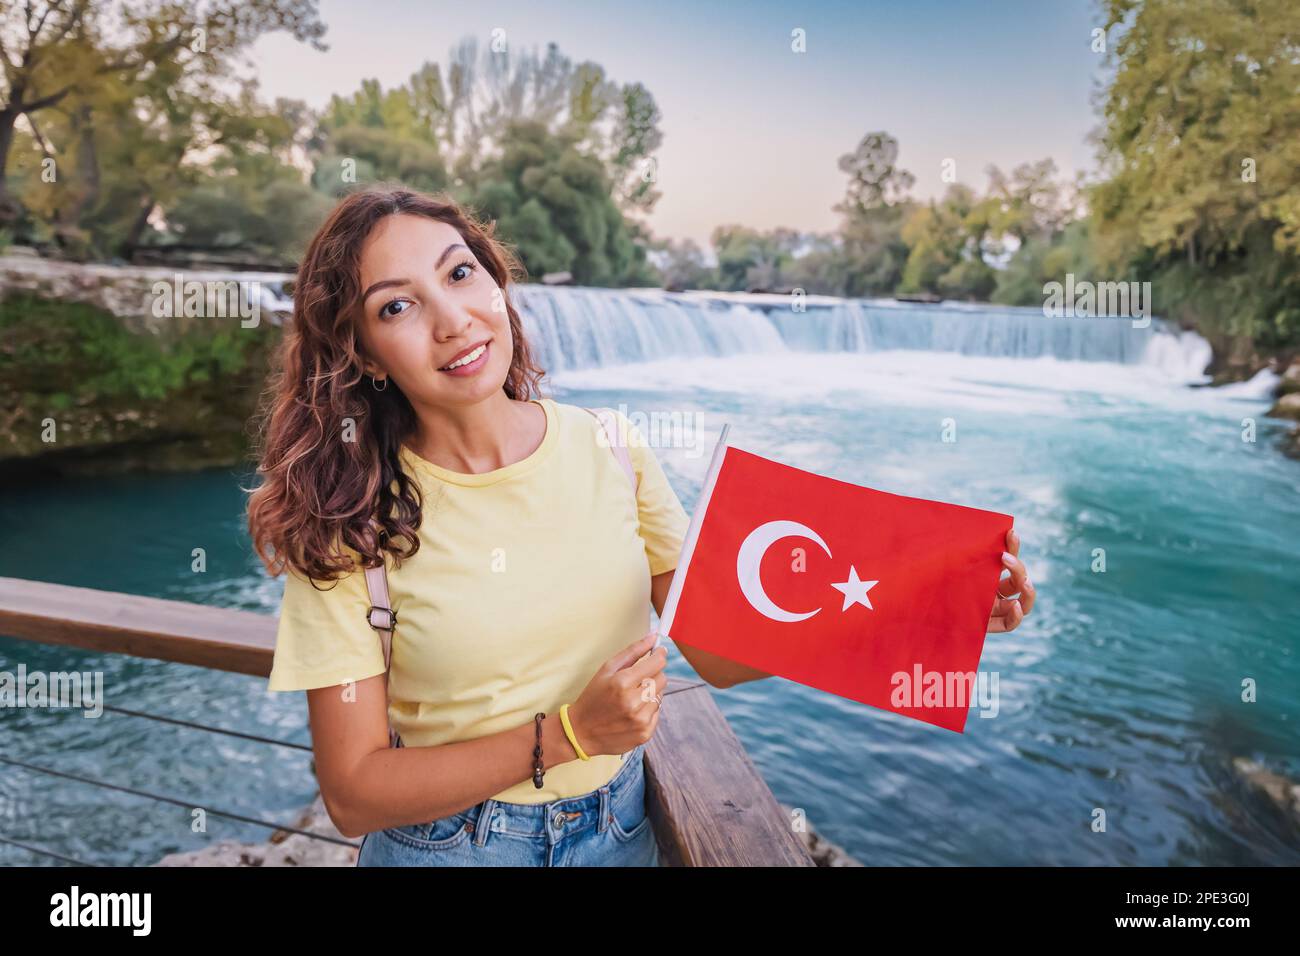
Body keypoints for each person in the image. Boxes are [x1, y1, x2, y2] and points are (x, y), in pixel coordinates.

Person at [246, 183, 1036, 867]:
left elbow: (719, 649)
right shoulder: (347, 517)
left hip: (622, 833)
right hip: (450, 848)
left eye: (461, 273)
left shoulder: (612, 447)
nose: (453, 319)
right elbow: (352, 792)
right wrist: (566, 737)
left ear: (495, 280)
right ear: (366, 353)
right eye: (398, 305)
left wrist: (927, 604)